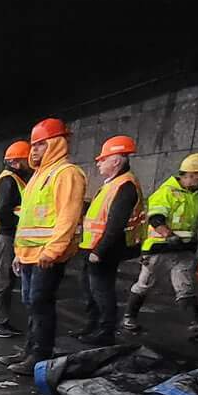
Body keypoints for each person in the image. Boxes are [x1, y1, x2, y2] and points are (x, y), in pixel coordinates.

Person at [11, 116, 87, 371]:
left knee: (41, 305)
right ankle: (29, 351)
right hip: (29, 254)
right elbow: (29, 218)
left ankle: (39, 355)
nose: (35, 151)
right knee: (32, 305)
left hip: (46, 255)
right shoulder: (38, 176)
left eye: (40, 145)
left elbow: (68, 214)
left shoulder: (66, 174)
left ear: (56, 143)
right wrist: (19, 253)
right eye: (34, 146)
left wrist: (53, 250)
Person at [126, 152, 198, 337]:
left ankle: (195, 324)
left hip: (183, 249)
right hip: (160, 248)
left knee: (185, 286)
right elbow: (155, 218)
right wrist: (169, 236)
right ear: (191, 174)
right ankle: (129, 317)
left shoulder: (195, 195)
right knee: (145, 284)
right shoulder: (166, 192)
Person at [74, 135, 143, 343]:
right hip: (92, 247)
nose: (98, 162)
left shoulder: (125, 185)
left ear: (116, 160)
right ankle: (92, 326)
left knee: (101, 291)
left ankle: (105, 332)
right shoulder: (112, 184)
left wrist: (99, 251)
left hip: (105, 250)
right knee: (89, 288)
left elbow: (116, 223)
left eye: (103, 159)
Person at [0, 139, 30, 338]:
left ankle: (1, 321)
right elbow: (2, 212)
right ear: (17, 162)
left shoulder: (15, 179)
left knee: (6, 281)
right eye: (27, 159)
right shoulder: (8, 180)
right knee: (0, 281)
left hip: (9, 236)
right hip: (5, 236)